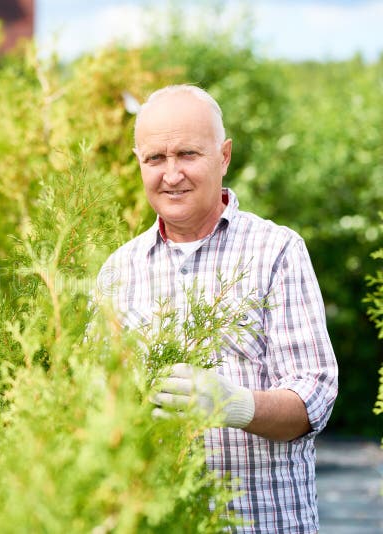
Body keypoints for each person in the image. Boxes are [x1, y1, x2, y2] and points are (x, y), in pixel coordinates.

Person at [96, 84, 338, 532]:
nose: (171, 175)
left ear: (224, 156)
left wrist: (237, 405)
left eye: (187, 154)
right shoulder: (118, 271)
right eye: (155, 159)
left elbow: (315, 397)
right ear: (139, 164)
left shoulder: (276, 251)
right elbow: (95, 402)